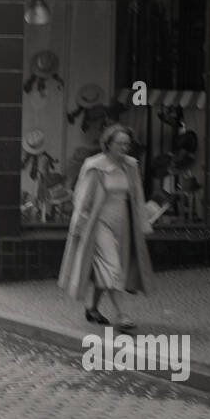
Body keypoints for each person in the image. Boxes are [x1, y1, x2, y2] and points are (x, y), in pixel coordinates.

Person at [57, 124, 156, 332]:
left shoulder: (131, 166)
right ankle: (122, 315)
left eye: (127, 144)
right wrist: (79, 224)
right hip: (99, 223)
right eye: (120, 143)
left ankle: (92, 307)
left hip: (123, 224)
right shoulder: (95, 165)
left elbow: (137, 196)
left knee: (107, 268)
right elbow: (82, 198)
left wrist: (143, 222)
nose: (124, 147)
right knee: (112, 266)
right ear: (108, 144)